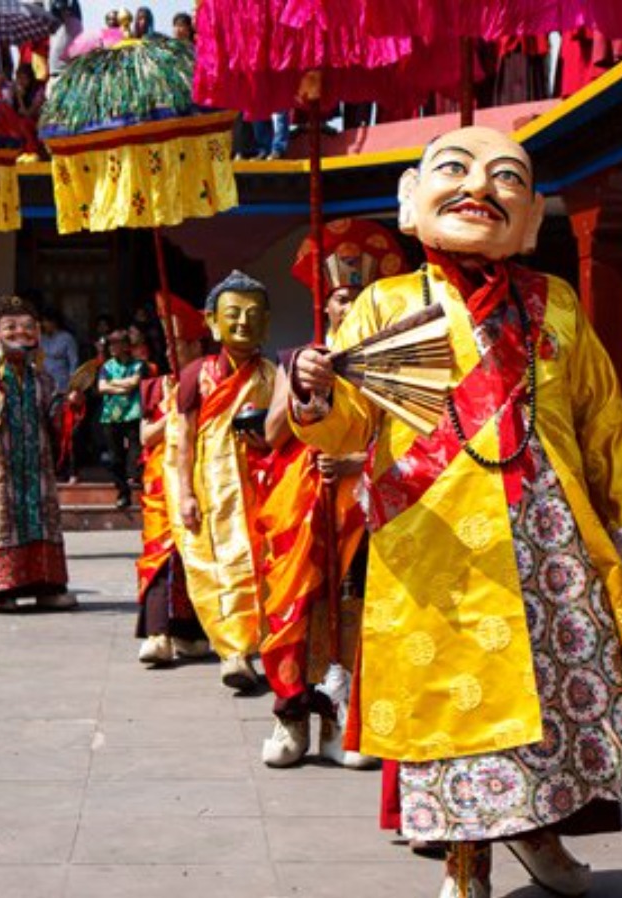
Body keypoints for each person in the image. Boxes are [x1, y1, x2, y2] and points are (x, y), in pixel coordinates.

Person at [290, 126, 622, 898]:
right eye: (453, 170)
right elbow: (350, 427)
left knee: (550, 711)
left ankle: (539, 835)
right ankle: (465, 865)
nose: (479, 187)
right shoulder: (382, 305)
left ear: (533, 217)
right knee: (458, 716)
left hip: (550, 543)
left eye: (506, 177)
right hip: (436, 545)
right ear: (410, 201)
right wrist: (312, 392)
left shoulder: (555, 303)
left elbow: (603, 418)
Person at [257, 218, 404, 768]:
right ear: (326, 305)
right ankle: (291, 715)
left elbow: (406, 437)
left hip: (363, 501)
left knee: (354, 607)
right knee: (297, 608)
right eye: (341, 297)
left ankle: (348, 717)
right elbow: (273, 434)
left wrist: (353, 461)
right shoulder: (297, 358)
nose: (349, 306)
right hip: (303, 504)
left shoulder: (391, 365)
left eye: (360, 295)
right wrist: (302, 389)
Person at [177, 271, 277, 691]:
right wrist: (183, 491)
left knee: (263, 563)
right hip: (212, 486)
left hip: (262, 482)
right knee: (221, 566)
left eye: (253, 315)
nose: (242, 323)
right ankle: (233, 649)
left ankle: (264, 643)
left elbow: (284, 430)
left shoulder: (275, 374)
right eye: (232, 314)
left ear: (267, 321)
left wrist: (266, 440)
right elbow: (181, 438)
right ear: (212, 321)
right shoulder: (197, 375)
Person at [0, 296, 76, 610]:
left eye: (27, 327)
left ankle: (46, 585)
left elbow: (56, 420)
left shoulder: (43, 379)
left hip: (36, 467)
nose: (19, 333)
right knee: (2, 521)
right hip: (1, 468)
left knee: (40, 520)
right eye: (10, 327)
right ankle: (3, 588)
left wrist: (70, 406)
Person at [136, 295, 211, 666]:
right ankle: (157, 632)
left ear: (196, 344)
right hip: (159, 485)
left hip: (200, 478)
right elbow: (145, 435)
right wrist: (177, 413)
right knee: (160, 555)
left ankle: (191, 632)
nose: (169, 350)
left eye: (177, 343)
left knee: (194, 556)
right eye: (165, 343)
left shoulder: (210, 380)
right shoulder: (156, 386)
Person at [98, 330, 144, 508]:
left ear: (125, 346)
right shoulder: (107, 366)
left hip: (132, 412)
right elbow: (101, 387)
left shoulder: (138, 365)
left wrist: (113, 384)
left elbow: (135, 382)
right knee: (114, 456)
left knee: (134, 449)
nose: (112, 348)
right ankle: (123, 492)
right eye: (110, 344)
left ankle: (133, 479)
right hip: (111, 414)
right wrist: (123, 387)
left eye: (115, 344)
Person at [39, 308, 78, 394]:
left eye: (46, 321)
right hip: (45, 381)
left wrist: (73, 382)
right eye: (43, 321)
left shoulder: (67, 338)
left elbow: (73, 361)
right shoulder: (42, 338)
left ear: (54, 322)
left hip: (62, 381)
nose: (44, 324)